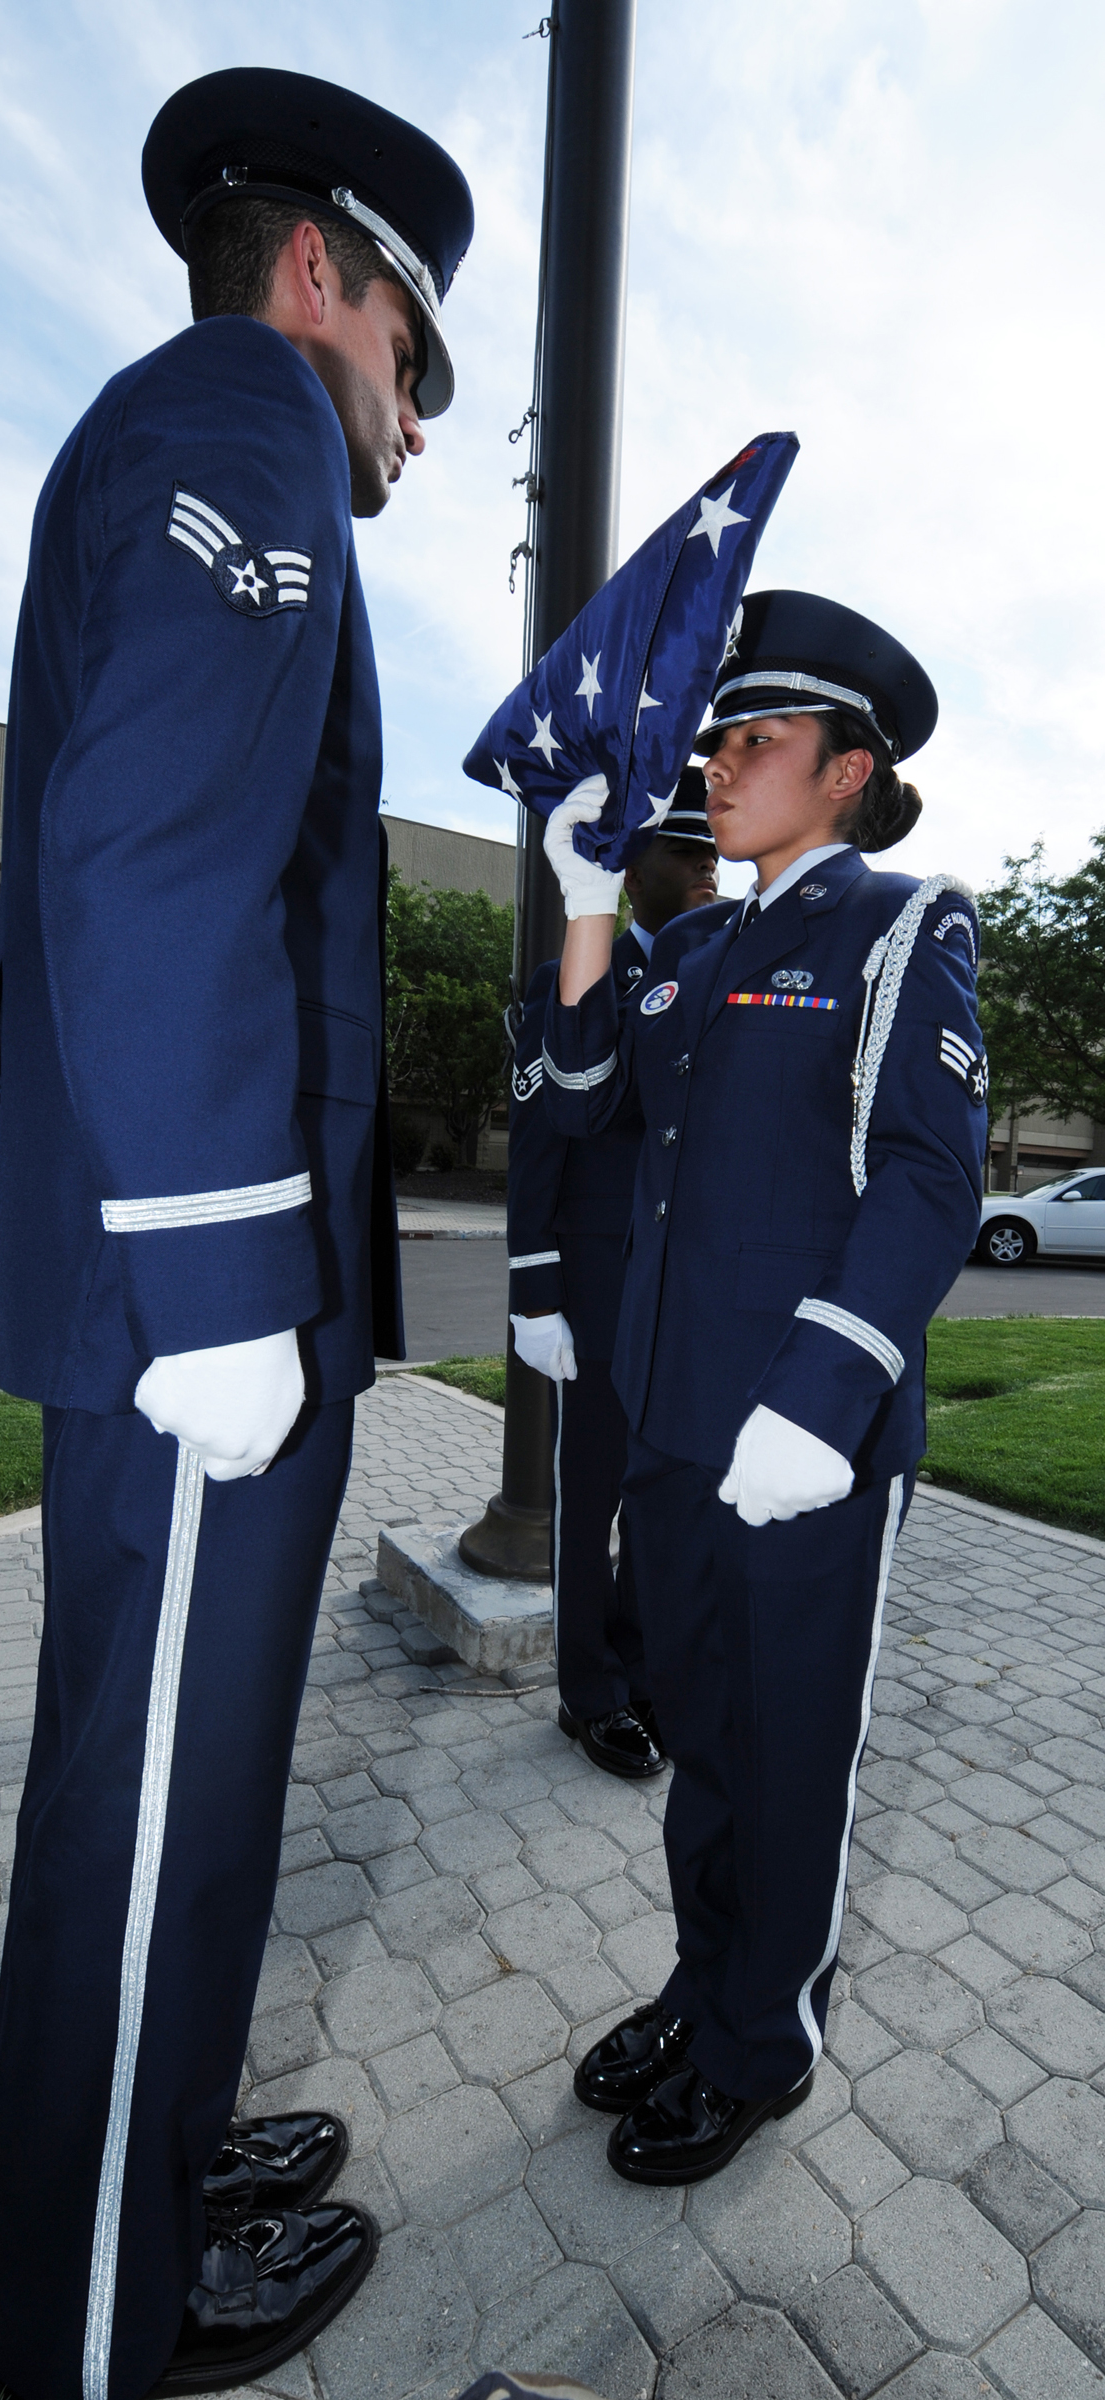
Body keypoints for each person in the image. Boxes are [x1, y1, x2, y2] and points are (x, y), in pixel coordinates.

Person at [0, 67, 473, 2400]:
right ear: (320, 272)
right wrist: (236, 1282)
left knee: (180, 1805)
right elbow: (147, 858)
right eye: (415, 366)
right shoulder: (241, 416)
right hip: (193, 1319)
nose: (417, 431)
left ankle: (138, 2157)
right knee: (144, 1827)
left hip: (180, 1287)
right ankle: (86, 2321)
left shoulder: (210, 424)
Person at [537, 591, 987, 2182]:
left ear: (847, 773)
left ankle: (764, 2037)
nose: (718, 764)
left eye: (756, 739)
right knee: (703, 1736)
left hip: (805, 1437)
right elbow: (579, 1103)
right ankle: (699, 1978)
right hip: (671, 1418)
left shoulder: (903, 925)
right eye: (720, 738)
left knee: (791, 1751)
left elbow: (931, 1182)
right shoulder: (698, 946)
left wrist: (824, 1390)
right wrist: (591, 910)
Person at [507, 771, 718, 1777]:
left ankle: (637, 1672)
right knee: (589, 1493)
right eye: (686, 852)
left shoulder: (718, 976)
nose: (706, 867)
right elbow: (540, 1142)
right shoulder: (571, 976)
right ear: (630, 870)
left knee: (659, 1485)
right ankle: (586, 1694)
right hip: (592, 1279)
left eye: (711, 850)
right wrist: (533, 1289)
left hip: (682, 1281)